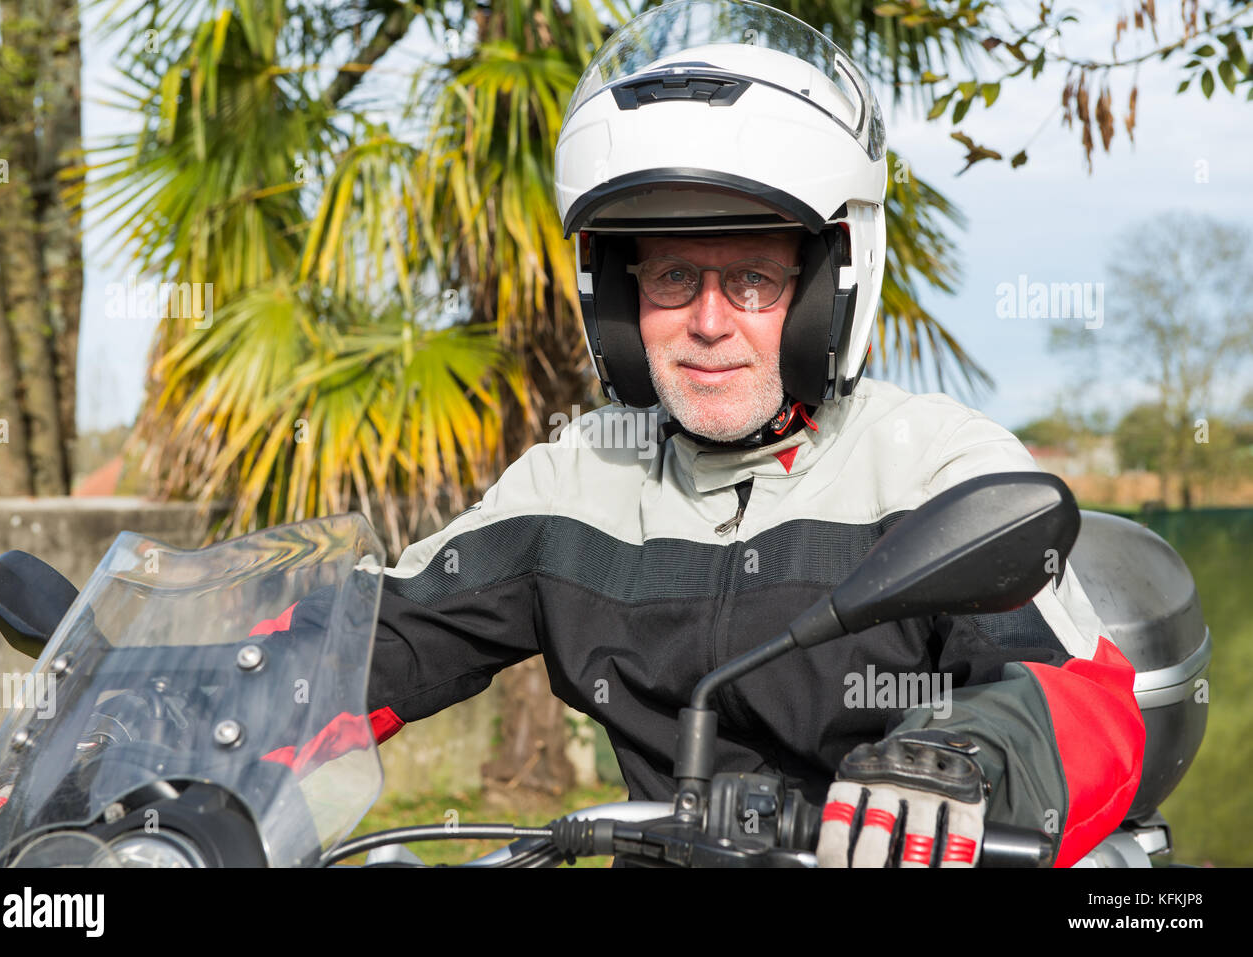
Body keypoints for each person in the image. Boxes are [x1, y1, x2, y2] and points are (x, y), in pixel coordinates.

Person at [352, 0, 1145, 867]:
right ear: (622, 307)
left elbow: (1083, 699)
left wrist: (956, 760)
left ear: (827, 293)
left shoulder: (933, 465)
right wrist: (221, 697)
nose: (708, 321)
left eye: (755, 281)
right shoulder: (578, 477)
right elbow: (380, 641)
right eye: (675, 277)